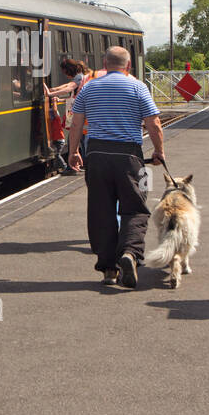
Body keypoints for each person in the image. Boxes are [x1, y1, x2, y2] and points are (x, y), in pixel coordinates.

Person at [66, 46, 164, 288]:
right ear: (128, 66)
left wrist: (74, 152)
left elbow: (76, 124)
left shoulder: (88, 87)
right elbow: (154, 124)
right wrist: (160, 151)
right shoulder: (137, 86)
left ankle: (109, 270)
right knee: (136, 208)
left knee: (102, 212)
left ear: (104, 64)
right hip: (130, 156)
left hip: (97, 156)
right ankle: (130, 254)